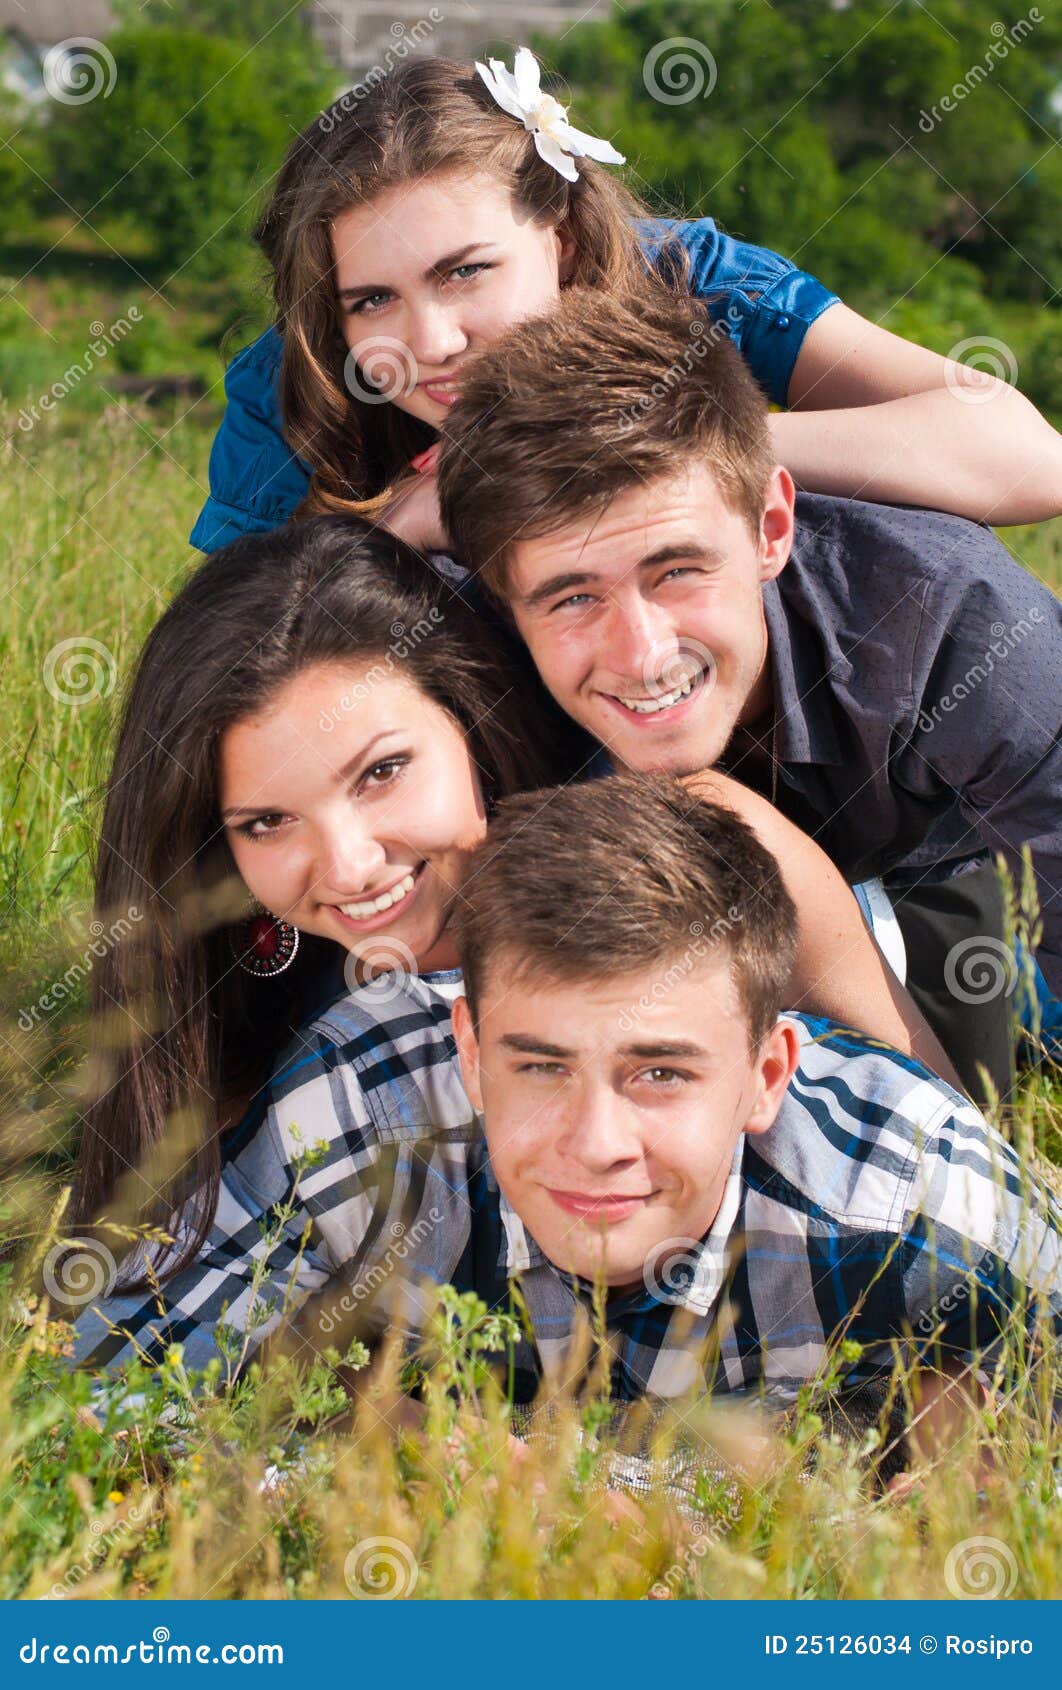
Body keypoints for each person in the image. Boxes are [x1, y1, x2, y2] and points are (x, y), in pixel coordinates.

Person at [66, 517, 955, 1369]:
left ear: (468, 721)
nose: (348, 866)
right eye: (267, 822)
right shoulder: (246, 990)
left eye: (382, 773)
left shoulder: (701, 849)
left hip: (929, 940)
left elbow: (941, 1136)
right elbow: (174, 1301)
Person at [75, 775, 1061, 1472]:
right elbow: (99, 1393)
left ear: (767, 1073)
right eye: (540, 1064)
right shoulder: (366, 1103)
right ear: (467, 1045)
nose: (595, 1143)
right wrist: (388, 1452)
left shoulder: (921, 1199)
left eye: (662, 1073)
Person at [434, 284, 1062, 1105]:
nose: (643, 652)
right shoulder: (463, 669)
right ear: (502, 598)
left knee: (966, 1093)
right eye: (572, 597)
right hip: (663, 869)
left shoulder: (955, 621)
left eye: (678, 570)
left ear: (770, 530)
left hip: (923, 851)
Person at [189, 49, 1062, 558]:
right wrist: (406, 526)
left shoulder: (693, 279)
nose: (431, 340)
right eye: (373, 297)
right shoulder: (293, 380)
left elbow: (1026, 458)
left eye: (465, 273)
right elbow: (239, 667)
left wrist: (643, 442)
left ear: (561, 238)